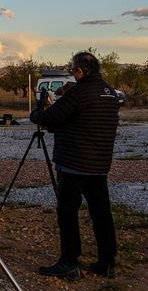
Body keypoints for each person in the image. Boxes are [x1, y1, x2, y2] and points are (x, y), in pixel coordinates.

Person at [30, 51, 121, 279]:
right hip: (99, 163)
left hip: (74, 163)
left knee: (67, 213)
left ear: (81, 70)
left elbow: (48, 118)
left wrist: (38, 112)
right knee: (101, 213)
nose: (72, 74)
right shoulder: (109, 92)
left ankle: (69, 262)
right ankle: (106, 262)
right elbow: (85, 119)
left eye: (73, 70)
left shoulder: (80, 93)